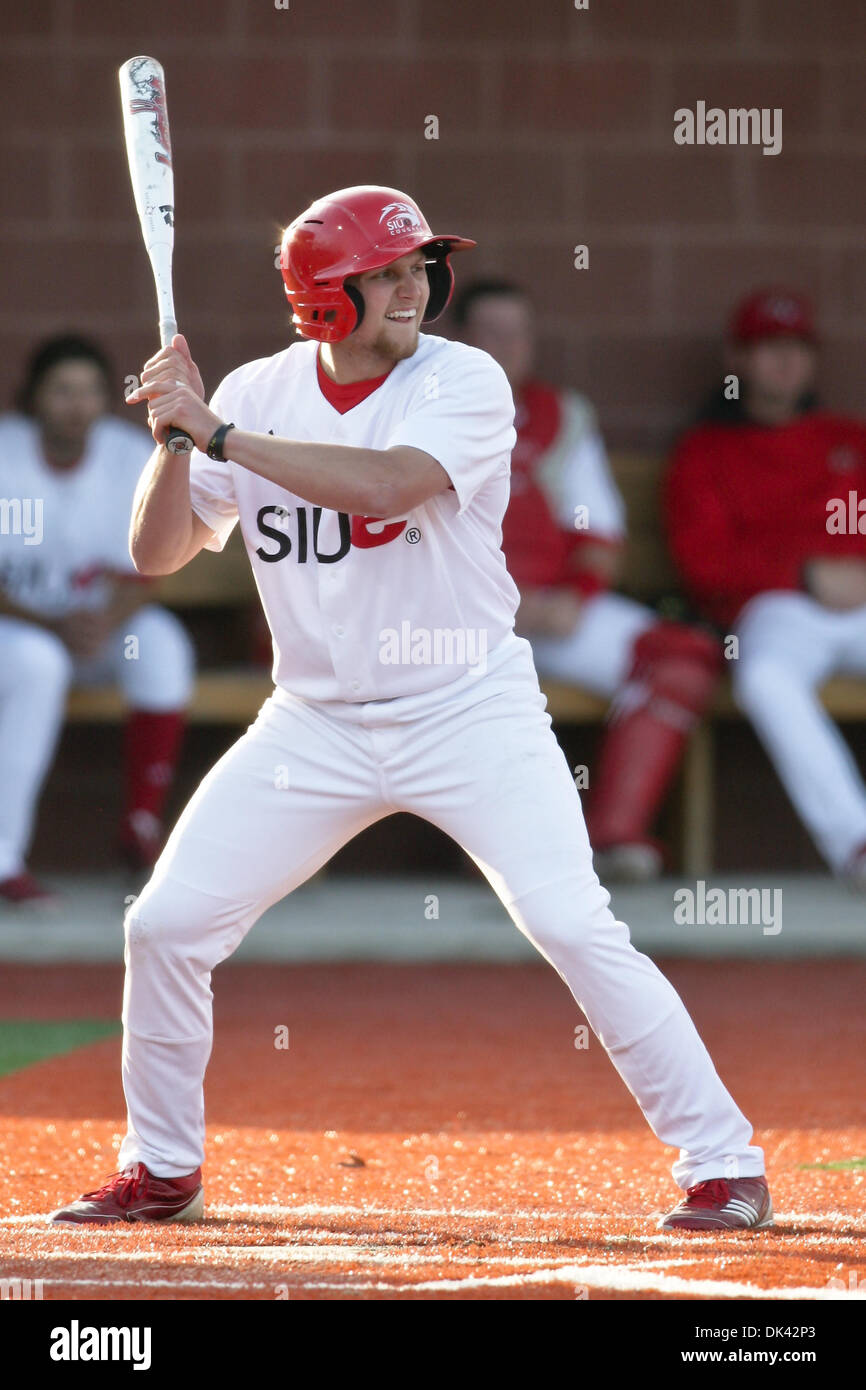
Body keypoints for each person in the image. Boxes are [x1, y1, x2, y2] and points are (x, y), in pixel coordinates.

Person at [50, 187, 770, 1233]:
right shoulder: (255, 393)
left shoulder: (460, 378)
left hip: (467, 707)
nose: (412, 287)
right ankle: (161, 1163)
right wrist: (173, 438)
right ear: (323, 301)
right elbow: (154, 553)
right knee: (163, 926)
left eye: (417, 266)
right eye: (384, 273)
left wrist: (221, 435)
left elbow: (388, 485)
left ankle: (722, 1162)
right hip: (315, 723)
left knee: (573, 921)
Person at [453, 279, 721, 882]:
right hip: (456, 623)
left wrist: (572, 599)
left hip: (549, 612)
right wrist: (492, 607)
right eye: (492, 333)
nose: (509, 347)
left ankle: (614, 838)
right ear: (460, 339)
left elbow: (599, 533)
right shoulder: (415, 410)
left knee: (681, 658)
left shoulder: (559, 416)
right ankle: (500, 860)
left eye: (519, 333)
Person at [666, 289, 866, 887]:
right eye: (768, 347)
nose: (786, 362)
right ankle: (856, 842)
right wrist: (800, 572)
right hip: (777, 611)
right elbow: (704, 565)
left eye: (798, 348)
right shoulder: (704, 451)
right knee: (765, 680)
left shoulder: (849, 438)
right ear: (738, 357)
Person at [0, 336, 195, 904]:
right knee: (39, 665)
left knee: (161, 648)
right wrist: (51, 625)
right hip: (19, 630)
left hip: (98, 628)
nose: (75, 404)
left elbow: (155, 561)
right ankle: (6, 857)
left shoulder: (126, 453)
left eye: (88, 392)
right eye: (61, 390)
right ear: (33, 397)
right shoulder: (5, 452)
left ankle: (141, 826)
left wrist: (104, 621)